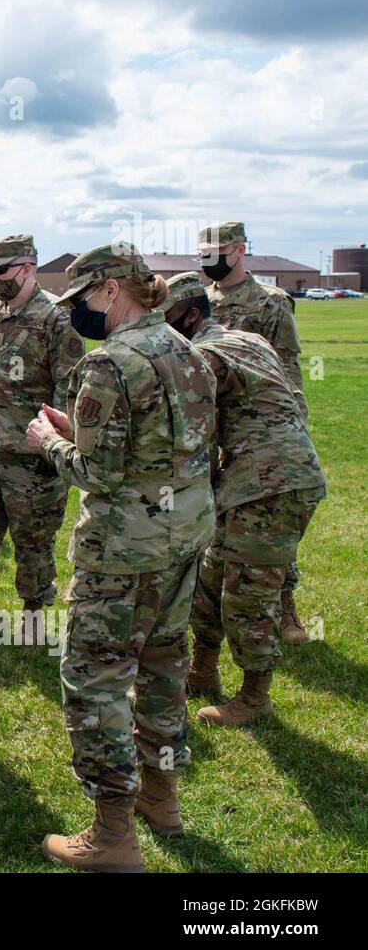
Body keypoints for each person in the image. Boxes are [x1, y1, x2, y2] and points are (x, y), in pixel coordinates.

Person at [26, 242, 215, 872]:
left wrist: (51, 442)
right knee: (163, 666)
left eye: (82, 299)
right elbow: (163, 447)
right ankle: (161, 799)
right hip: (183, 536)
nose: (78, 313)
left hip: (124, 549)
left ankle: (112, 832)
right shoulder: (189, 351)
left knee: (95, 682)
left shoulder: (111, 365)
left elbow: (100, 475)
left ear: (111, 291)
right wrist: (78, 428)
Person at [162, 273, 326, 726]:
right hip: (254, 481)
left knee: (248, 595)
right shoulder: (247, 341)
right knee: (212, 576)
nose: (164, 332)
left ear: (192, 315)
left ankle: (255, 698)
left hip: (270, 485)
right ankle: (204, 671)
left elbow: (190, 431)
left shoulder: (205, 355)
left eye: (169, 321)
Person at [0, 234, 84, 617]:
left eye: (1, 270)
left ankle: (33, 617)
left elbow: (68, 386)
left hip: (31, 457)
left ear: (27, 268)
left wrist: (55, 443)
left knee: (33, 543)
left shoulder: (57, 318)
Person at [198, 222, 311, 645]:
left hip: (259, 433)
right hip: (214, 430)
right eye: (202, 251)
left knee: (271, 525)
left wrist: (293, 425)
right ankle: (222, 613)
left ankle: (284, 609)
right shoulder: (196, 302)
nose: (209, 258)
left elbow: (288, 371)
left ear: (240, 249)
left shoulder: (271, 302)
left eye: (217, 250)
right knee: (221, 526)